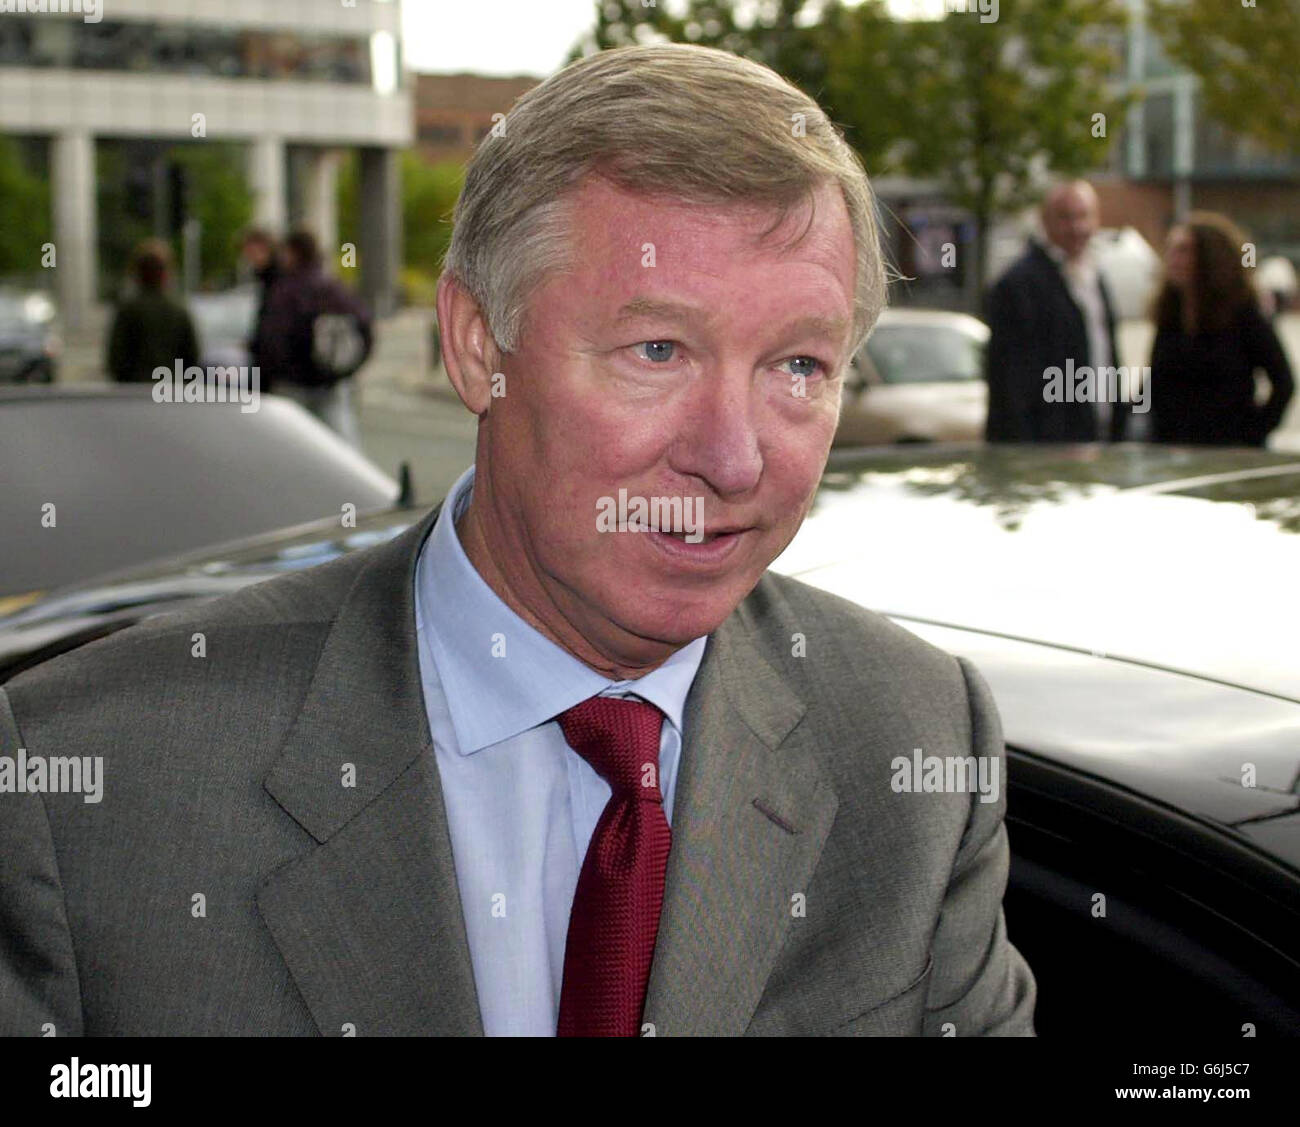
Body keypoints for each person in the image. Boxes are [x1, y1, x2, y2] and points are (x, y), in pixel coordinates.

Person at [0, 44, 1035, 1038]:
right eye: (658, 348)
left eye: (799, 366)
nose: (733, 457)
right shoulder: (87, 780)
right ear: (475, 346)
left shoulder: (917, 742)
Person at [984, 180, 1130, 443]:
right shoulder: (1018, 285)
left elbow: (1108, 356)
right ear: (1045, 221)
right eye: (1065, 217)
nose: (1076, 227)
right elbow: (1011, 384)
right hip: (1049, 452)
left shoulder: (1095, 276)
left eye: (1083, 216)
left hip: (1099, 440)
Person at [1149, 214, 1294, 447]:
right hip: (1173, 452)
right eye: (1171, 249)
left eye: (1184, 250)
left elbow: (1283, 383)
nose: (1173, 259)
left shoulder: (1243, 315)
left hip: (1228, 449)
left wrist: (1253, 435)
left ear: (1209, 257)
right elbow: (1155, 382)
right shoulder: (1170, 317)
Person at [258, 228, 372, 445]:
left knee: (289, 448)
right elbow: (364, 326)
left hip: (292, 385)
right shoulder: (334, 288)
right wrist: (346, 370)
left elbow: (271, 340)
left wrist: (274, 376)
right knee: (341, 451)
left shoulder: (285, 291)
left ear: (292, 252)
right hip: (332, 384)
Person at [105, 238, 199, 383]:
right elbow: (192, 360)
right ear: (166, 273)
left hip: (132, 394)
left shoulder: (127, 311)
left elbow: (115, 360)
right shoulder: (179, 311)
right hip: (170, 393)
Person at [240, 226, 280, 392]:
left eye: (251, 252)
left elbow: (273, 324)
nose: (249, 258)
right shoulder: (268, 280)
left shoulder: (276, 281)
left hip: (271, 367)